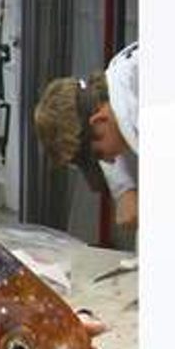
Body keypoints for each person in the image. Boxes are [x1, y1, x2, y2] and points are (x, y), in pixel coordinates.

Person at [33, 40, 139, 229]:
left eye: (99, 154)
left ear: (98, 120)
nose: (111, 161)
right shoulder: (120, 75)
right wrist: (124, 190)